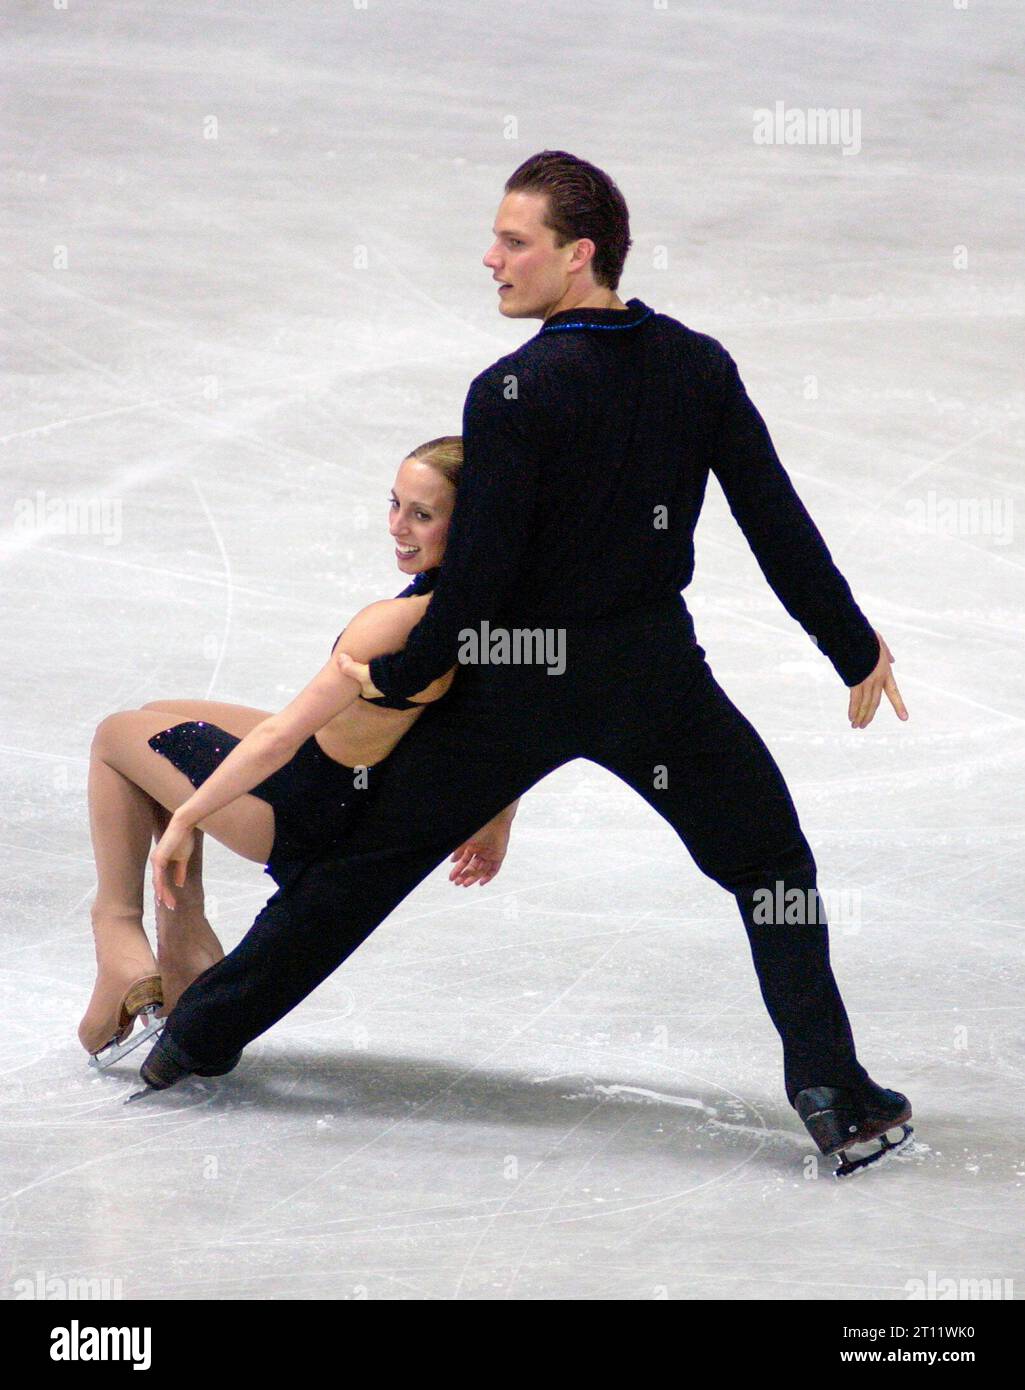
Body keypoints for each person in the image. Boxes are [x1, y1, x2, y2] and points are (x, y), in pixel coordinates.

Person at [142, 151, 912, 1176]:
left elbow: (483, 575)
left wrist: (412, 674)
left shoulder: (510, 390)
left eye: (513, 243)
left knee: (360, 869)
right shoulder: (695, 365)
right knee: (770, 867)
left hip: (514, 679)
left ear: (577, 253)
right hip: (649, 678)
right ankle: (832, 1092)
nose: (490, 259)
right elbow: (772, 520)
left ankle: (192, 1041)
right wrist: (847, 642)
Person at [79, 437, 520, 1067]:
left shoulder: (395, 624)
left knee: (115, 736)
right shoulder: (494, 608)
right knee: (158, 717)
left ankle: (120, 938)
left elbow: (278, 738)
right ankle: (183, 952)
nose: (397, 526)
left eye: (422, 515)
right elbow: (505, 724)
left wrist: (183, 819)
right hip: (347, 781)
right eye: (395, 504)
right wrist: (498, 817)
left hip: (298, 803)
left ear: (472, 521)